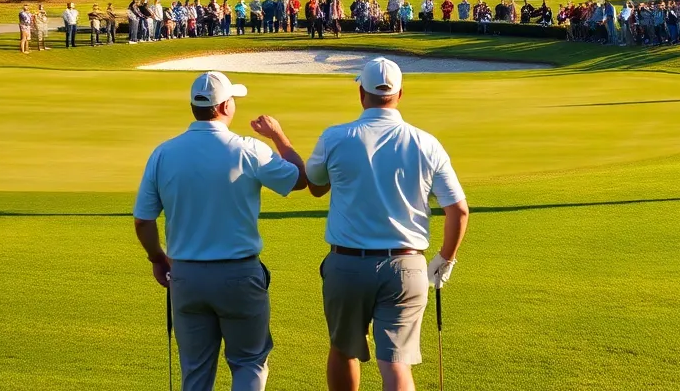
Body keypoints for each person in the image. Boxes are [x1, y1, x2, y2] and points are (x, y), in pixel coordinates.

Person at [300, 57, 469, 391]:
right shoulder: (426, 142)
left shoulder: (336, 137)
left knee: (343, 351)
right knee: (396, 363)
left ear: (361, 93)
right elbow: (459, 211)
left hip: (347, 264)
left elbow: (315, 186)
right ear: (400, 94)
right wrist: (444, 259)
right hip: (407, 266)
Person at [133, 71, 306, 391]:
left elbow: (143, 221)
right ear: (226, 106)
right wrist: (278, 136)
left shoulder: (163, 153)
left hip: (186, 276)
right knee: (249, 363)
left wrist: (157, 258)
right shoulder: (249, 149)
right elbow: (300, 179)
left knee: (196, 372)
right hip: (239, 274)